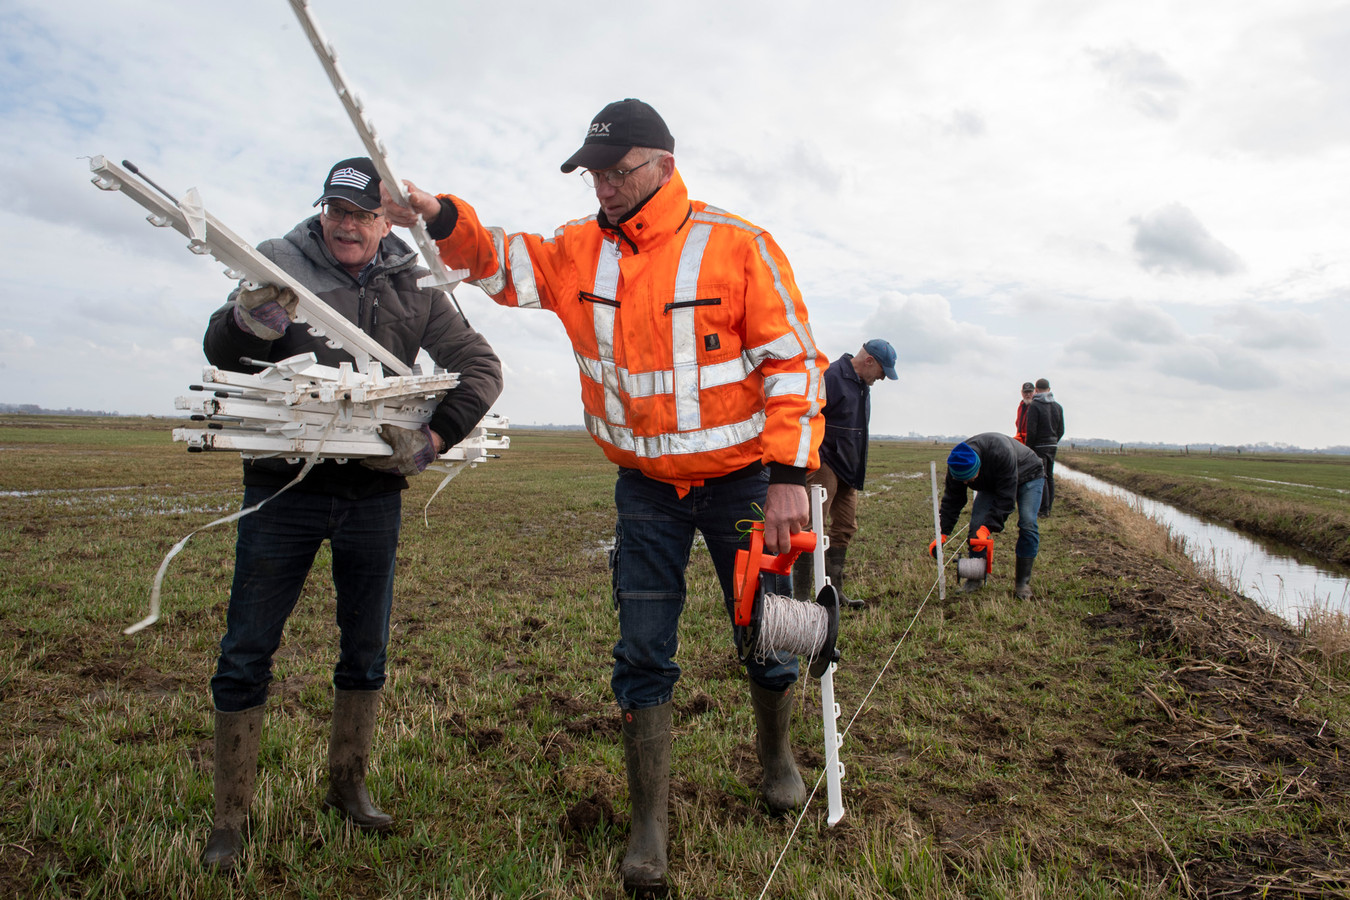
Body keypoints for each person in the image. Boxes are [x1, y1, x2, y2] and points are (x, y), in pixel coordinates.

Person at [382, 98, 827, 897]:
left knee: (770, 632)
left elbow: (795, 365)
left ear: (662, 161)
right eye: (594, 173)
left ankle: (777, 759)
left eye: (618, 170)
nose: (605, 187)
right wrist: (441, 212)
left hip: (745, 484)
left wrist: (792, 475)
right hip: (645, 491)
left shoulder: (740, 247)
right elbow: (499, 264)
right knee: (642, 648)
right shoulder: (577, 250)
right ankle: (648, 823)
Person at [199, 157, 503, 870]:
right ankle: (230, 819)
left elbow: (480, 364)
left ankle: (348, 786)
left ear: (384, 221)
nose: (347, 224)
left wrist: (432, 438)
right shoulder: (278, 260)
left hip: (372, 498)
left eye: (363, 214)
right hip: (283, 491)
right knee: (247, 649)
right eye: (337, 210)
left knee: (365, 650)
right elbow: (220, 350)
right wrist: (248, 321)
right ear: (324, 211)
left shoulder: (415, 283)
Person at [792, 339, 898, 610]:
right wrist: (820, 457)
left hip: (850, 469)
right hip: (826, 464)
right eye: (882, 372)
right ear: (869, 361)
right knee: (812, 528)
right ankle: (802, 597)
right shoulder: (831, 376)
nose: (882, 378)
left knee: (844, 528)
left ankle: (835, 592)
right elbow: (808, 418)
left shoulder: (864, 385)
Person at [933, 432, 1045, 599]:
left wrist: (988, 528)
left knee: (1027, 522)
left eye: (969, 479)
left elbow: (1006, 499)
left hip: (1029, 473)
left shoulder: (1001, 453)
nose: (966, 483)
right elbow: (952, 500)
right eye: (962, 480)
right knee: (976, 525)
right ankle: (975, 578)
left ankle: (1022, 584)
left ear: (979, 466)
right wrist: (942, 533)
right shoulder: (957, 462)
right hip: (993, 480)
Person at [1024, 377, 1065, 515]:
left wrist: (1029, 448)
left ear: (1036, 390)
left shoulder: (1034, 406)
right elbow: (1061, 430)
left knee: (1042, 477)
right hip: (1052, 445)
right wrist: (1054, 440)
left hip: (1039, 445)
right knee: (1050, 476)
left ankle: (1043, 509)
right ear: (1049, 390)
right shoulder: (1058, 407)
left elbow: (1032, 430)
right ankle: (1049, 507)